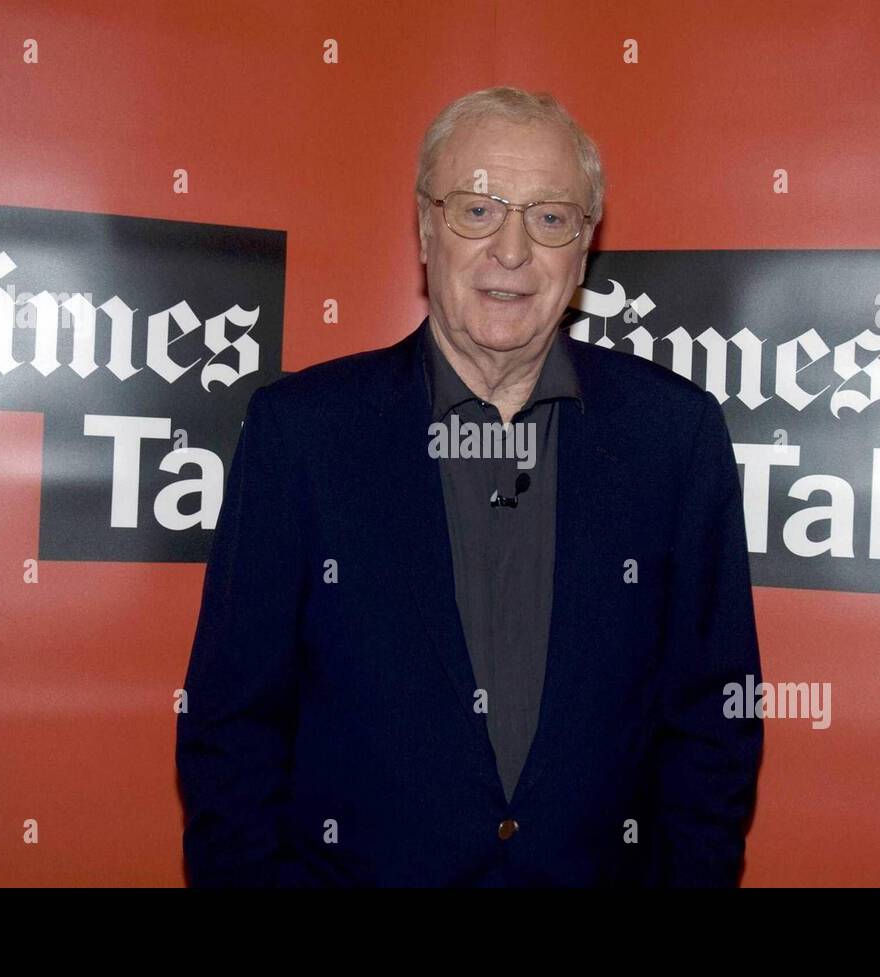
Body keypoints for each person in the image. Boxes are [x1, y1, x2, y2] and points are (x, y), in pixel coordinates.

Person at [176, 85, 763, 887]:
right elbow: (230, 730)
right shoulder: (301, 433)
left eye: (550, 217)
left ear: (584, 245)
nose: (512, 251)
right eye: (478, 210)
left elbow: (713, 729)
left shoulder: (675, 437)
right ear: (424, 226)